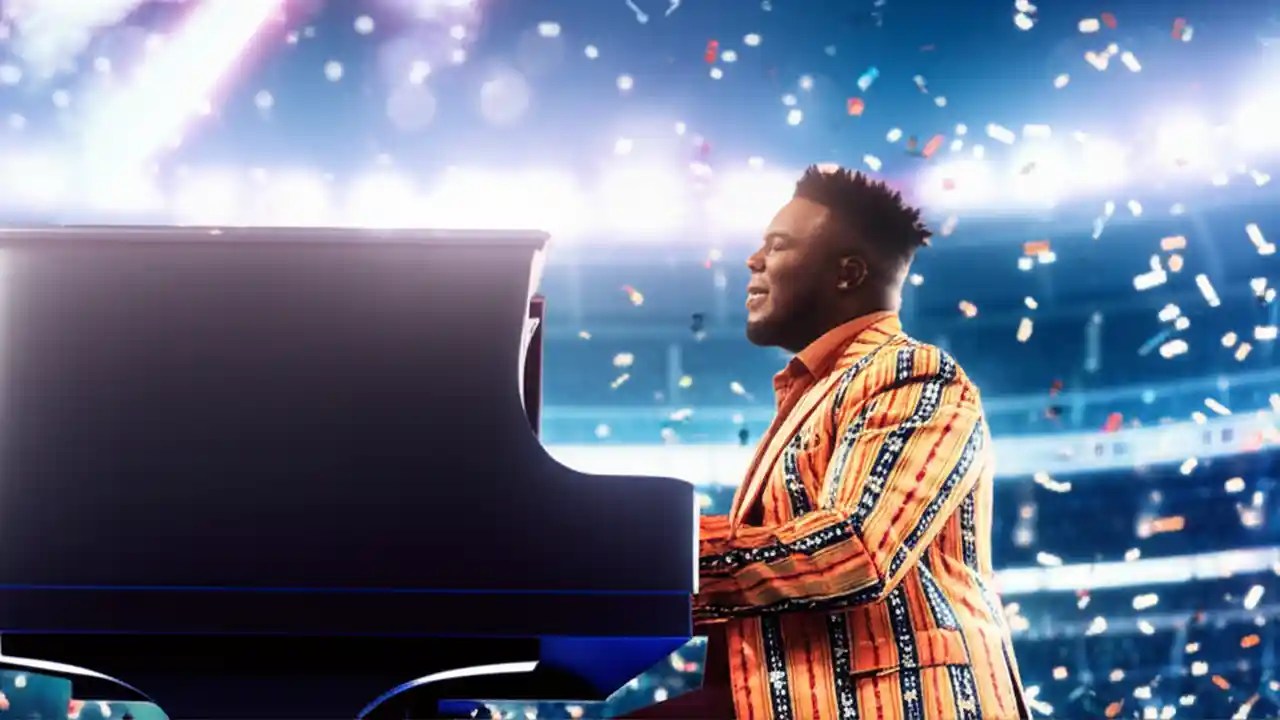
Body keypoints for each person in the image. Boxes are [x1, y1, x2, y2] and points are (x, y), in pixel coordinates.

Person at [624, 166, 1028, 719]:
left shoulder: (912, 372)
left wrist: (634, 557)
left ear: (848, 274)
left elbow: (853, 550)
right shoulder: (814, 396)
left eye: (777, 245)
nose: (753, 260)